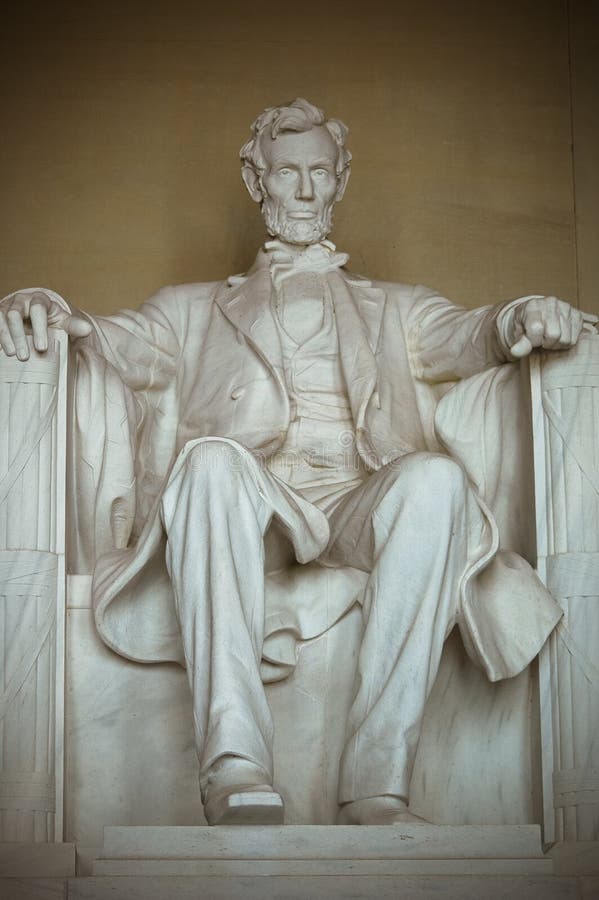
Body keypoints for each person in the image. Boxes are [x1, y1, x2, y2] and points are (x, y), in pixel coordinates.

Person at [1, 98, 594, 826]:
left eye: (321, 172)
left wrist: (520, 315)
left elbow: (470, 335)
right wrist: (52, 308)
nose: (306, 192)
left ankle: (378, 784)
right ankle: (234, 764)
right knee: (211, 460)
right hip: (251, 505)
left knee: (436, 480)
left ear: (341, 179)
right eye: (288, 174)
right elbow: (112, 340)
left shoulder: (395, 307)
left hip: (355, 502)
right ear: (257, 181)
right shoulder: (190, 310)